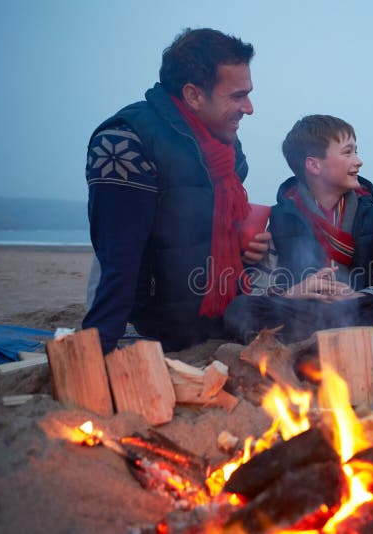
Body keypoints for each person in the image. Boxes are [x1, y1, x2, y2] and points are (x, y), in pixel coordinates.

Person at [83, 28, 270, 354]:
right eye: (237, 95)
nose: (250, 107)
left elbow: (199, 229)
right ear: (194, 95)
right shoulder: (125, 141)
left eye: (248, 93)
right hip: (146, 329)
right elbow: (119, 263)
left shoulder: (226, 145)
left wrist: (243, 245)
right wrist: (96, 352)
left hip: (210, 321)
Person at [224, 115, 373, 363]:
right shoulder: (282, 217)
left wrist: (356, 296)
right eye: (348, 153)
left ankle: (315, 349)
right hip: (303, 310)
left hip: (356, 308)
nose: (359, 161)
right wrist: (295, 291)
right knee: (239, 309)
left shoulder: (371, 214)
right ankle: (346, 348)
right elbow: (260, 285)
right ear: (314, 165)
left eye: (356, 151)